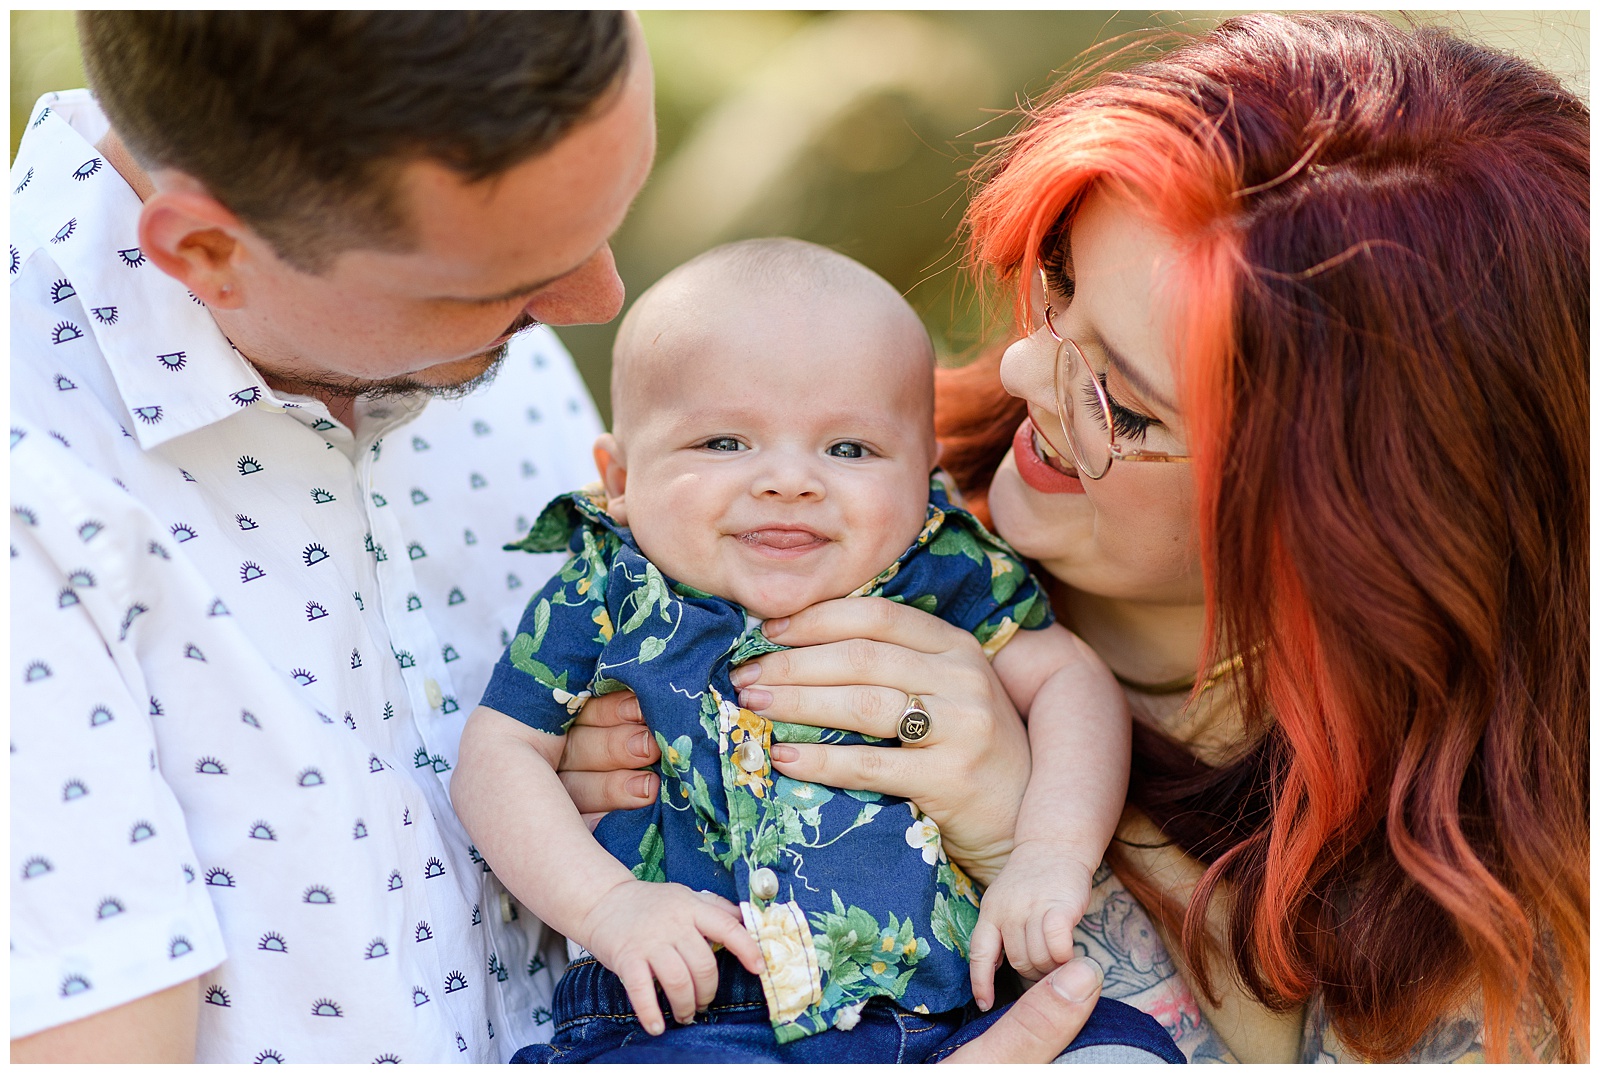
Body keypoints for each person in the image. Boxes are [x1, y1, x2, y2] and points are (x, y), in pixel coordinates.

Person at [10, 12, 1110, 1065]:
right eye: (500, 282)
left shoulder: (467, 337)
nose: (598, 299)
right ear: (209, 250)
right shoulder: (38, 500)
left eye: (603, 221)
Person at [706, 11, 1587, 1064]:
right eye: (1061, 280)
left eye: (1121, 407)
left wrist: (1022, 831)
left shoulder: (1502, 904)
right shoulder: (848, 486)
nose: (1025, 375)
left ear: (1352, 524)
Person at [453, 239, 1179, 1062]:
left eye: (850, 450)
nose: (790, 480)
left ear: (924, 475)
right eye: (725, 442)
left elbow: (1069, 680)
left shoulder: (939, 567)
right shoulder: (606, 591)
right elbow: (498, 752)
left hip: (949, 1000)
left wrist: (1048, 854)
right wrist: (609, 906)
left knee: (1124, 1046)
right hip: (700, 1006)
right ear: (618, 477)